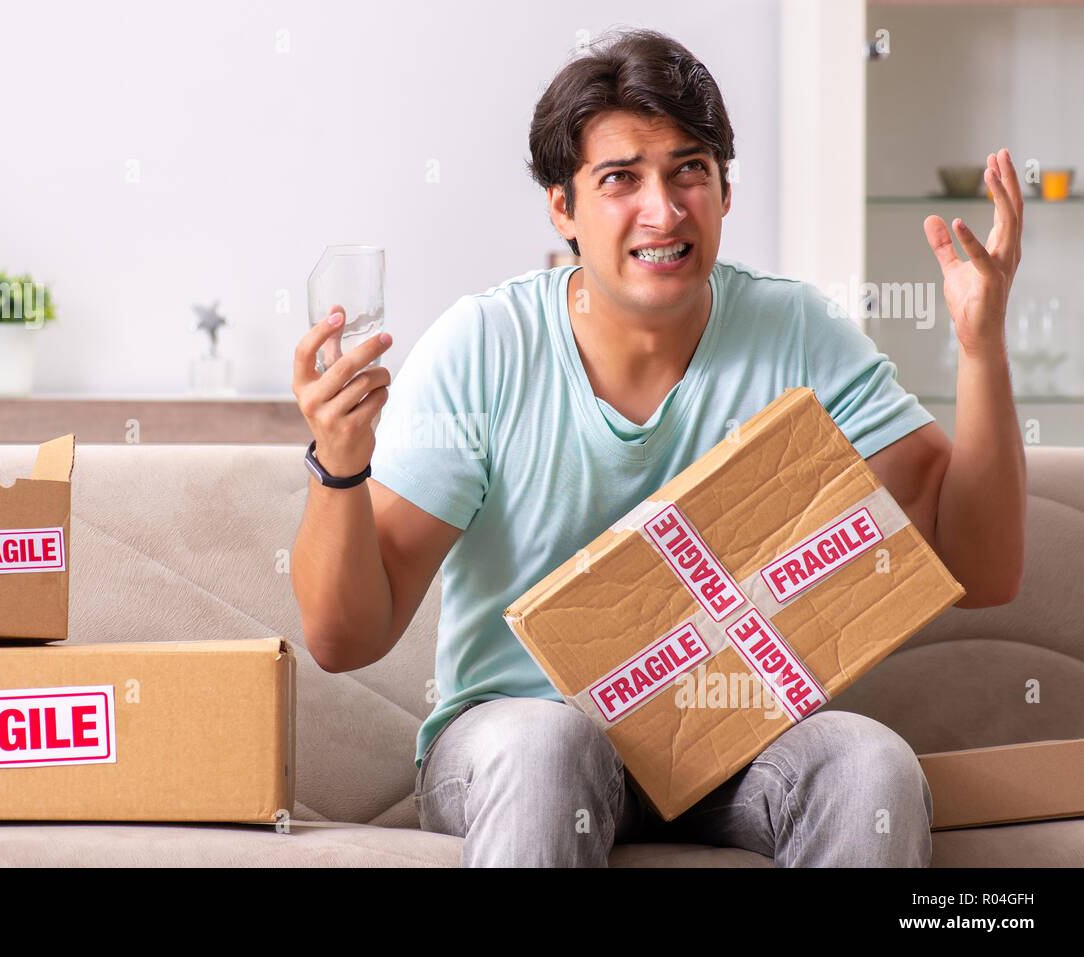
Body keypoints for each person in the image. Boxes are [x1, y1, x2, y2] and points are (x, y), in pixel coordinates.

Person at [290, 28, 1025, 867]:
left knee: (867, 761)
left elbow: (980, 569)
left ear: (722, 190)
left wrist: (980, 349)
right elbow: (347, 637)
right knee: (548, 747)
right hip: (520, 735)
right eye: (620, 180)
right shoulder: (485, 346)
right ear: (562, 206)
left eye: (689, 171)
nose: (665, 211)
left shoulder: (796, 332)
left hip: (734, 738)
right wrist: (339, 462)